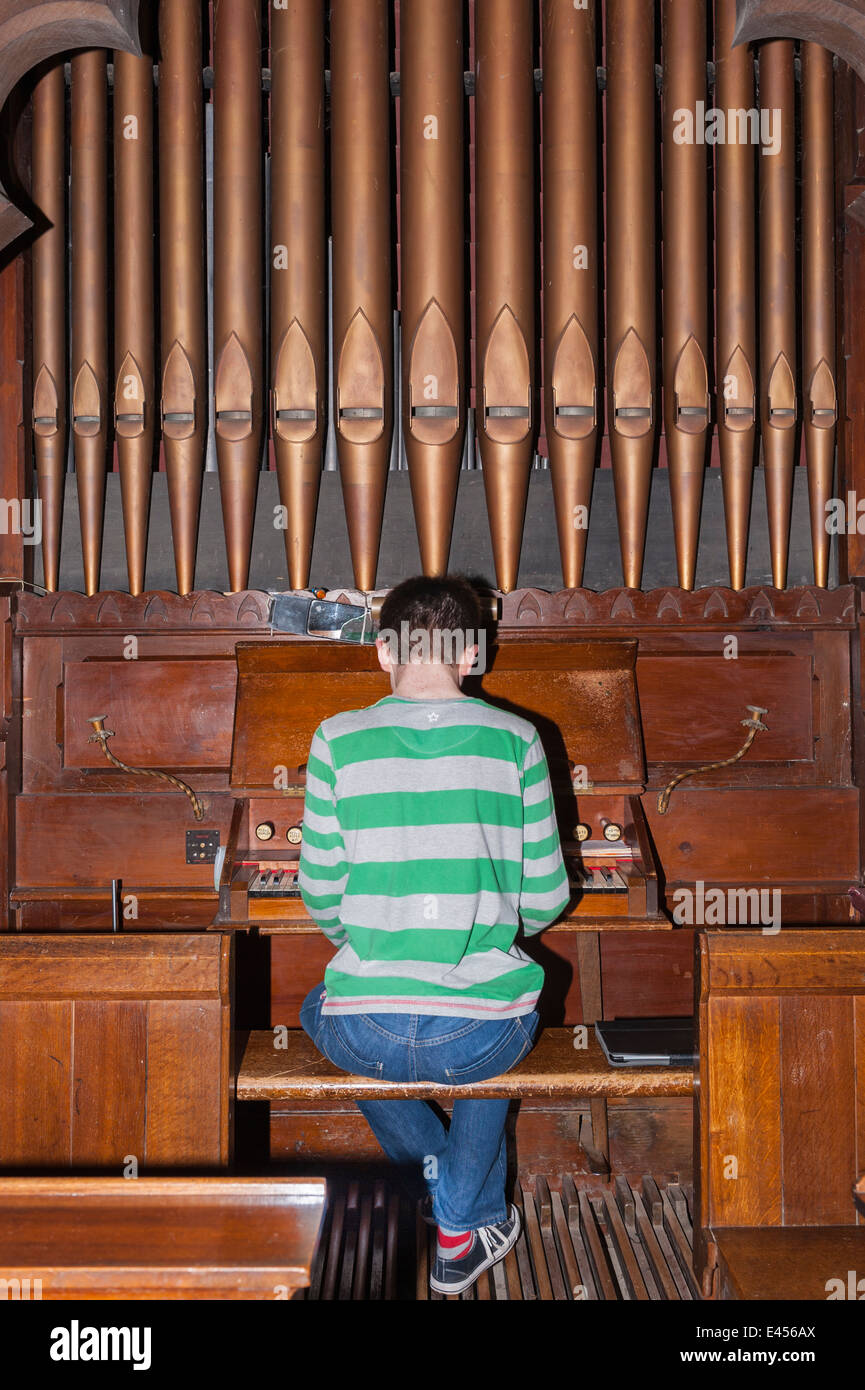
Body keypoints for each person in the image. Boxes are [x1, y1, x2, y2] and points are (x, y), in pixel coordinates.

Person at [298, 574, 569, 1294]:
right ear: (472, 655)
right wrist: (489, 929)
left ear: (383, 652)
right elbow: (545, 898)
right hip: (476, 1035)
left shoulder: (335, 738)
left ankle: (451, 1206)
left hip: (366, 1031)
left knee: (320, 1007)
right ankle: (463, 1214)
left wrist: (375, 944)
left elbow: (320, 896)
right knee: (505, 999)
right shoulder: (516, 738)